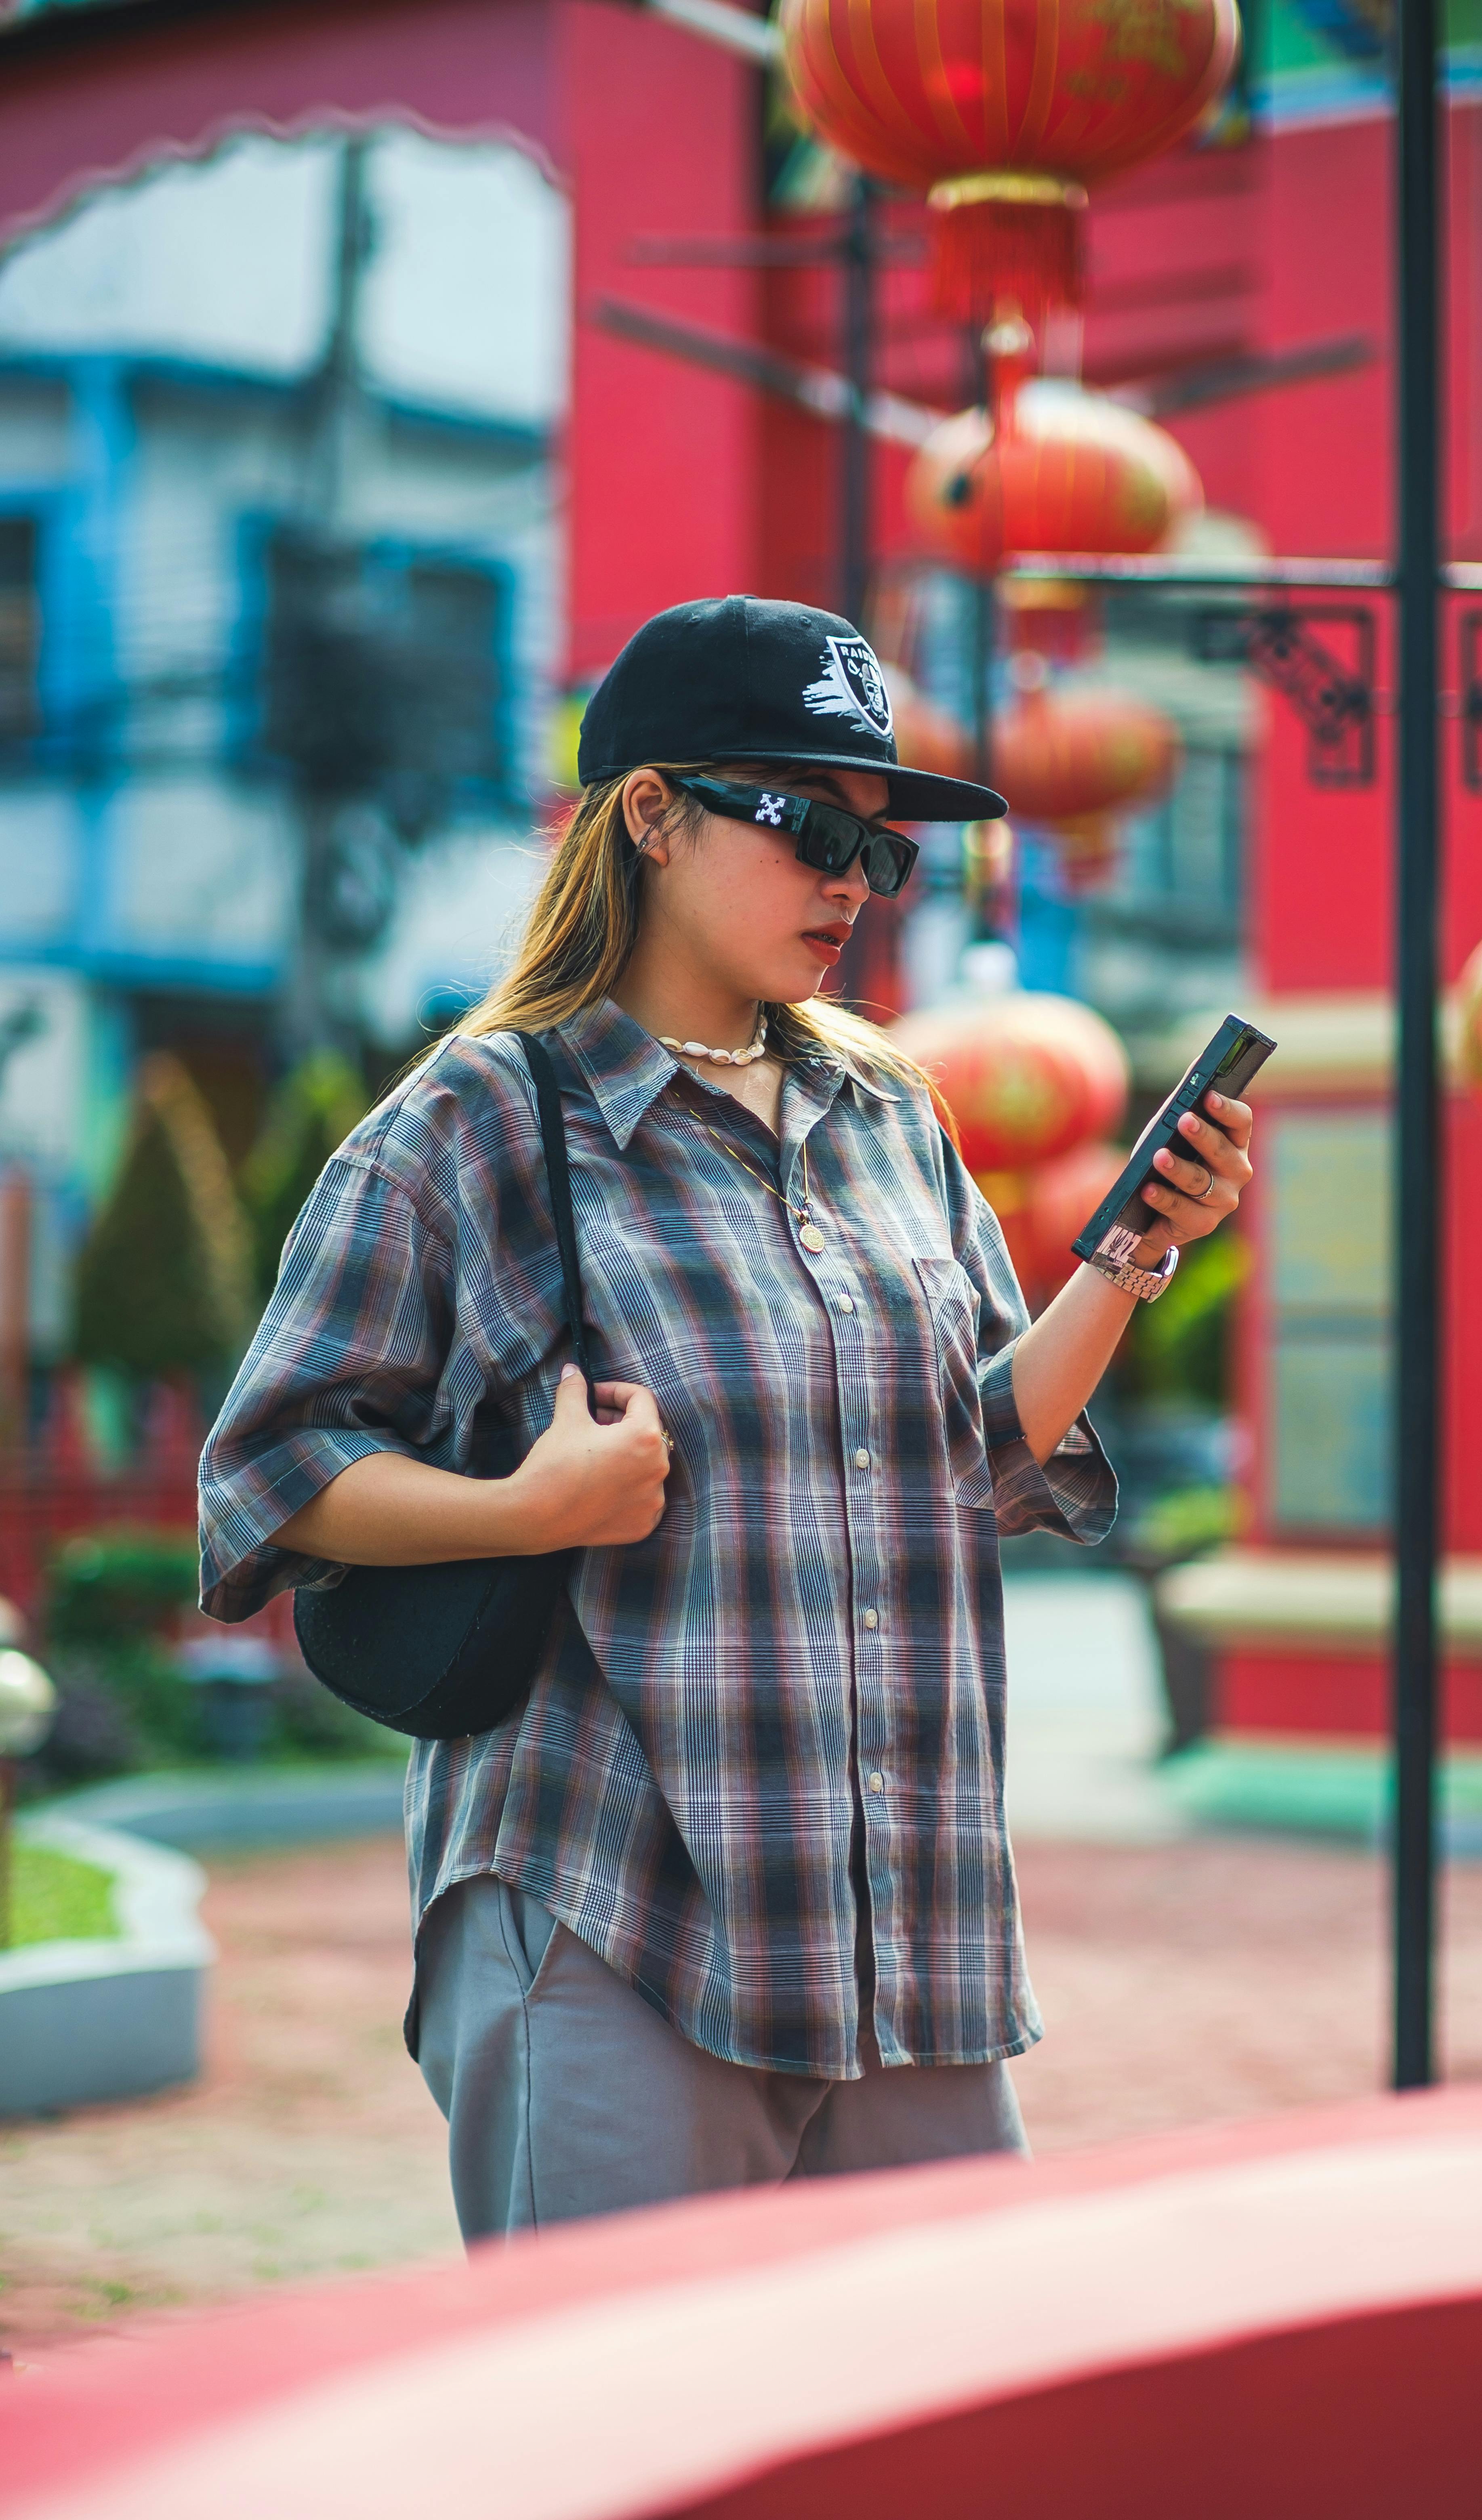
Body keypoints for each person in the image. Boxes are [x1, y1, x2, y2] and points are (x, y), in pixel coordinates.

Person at [198, 595, 1255, 2240]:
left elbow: (976, 1454)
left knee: (947, 2388)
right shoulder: (476, 1121)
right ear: (649, 814)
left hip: (907, 1928)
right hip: (611, 1904)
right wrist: (525, 1510)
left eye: (881, 849)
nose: (854, 881)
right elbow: (264, 1474)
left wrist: (1132, 1256)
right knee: (621, 2395)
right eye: (813, 828)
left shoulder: (887, 1114)